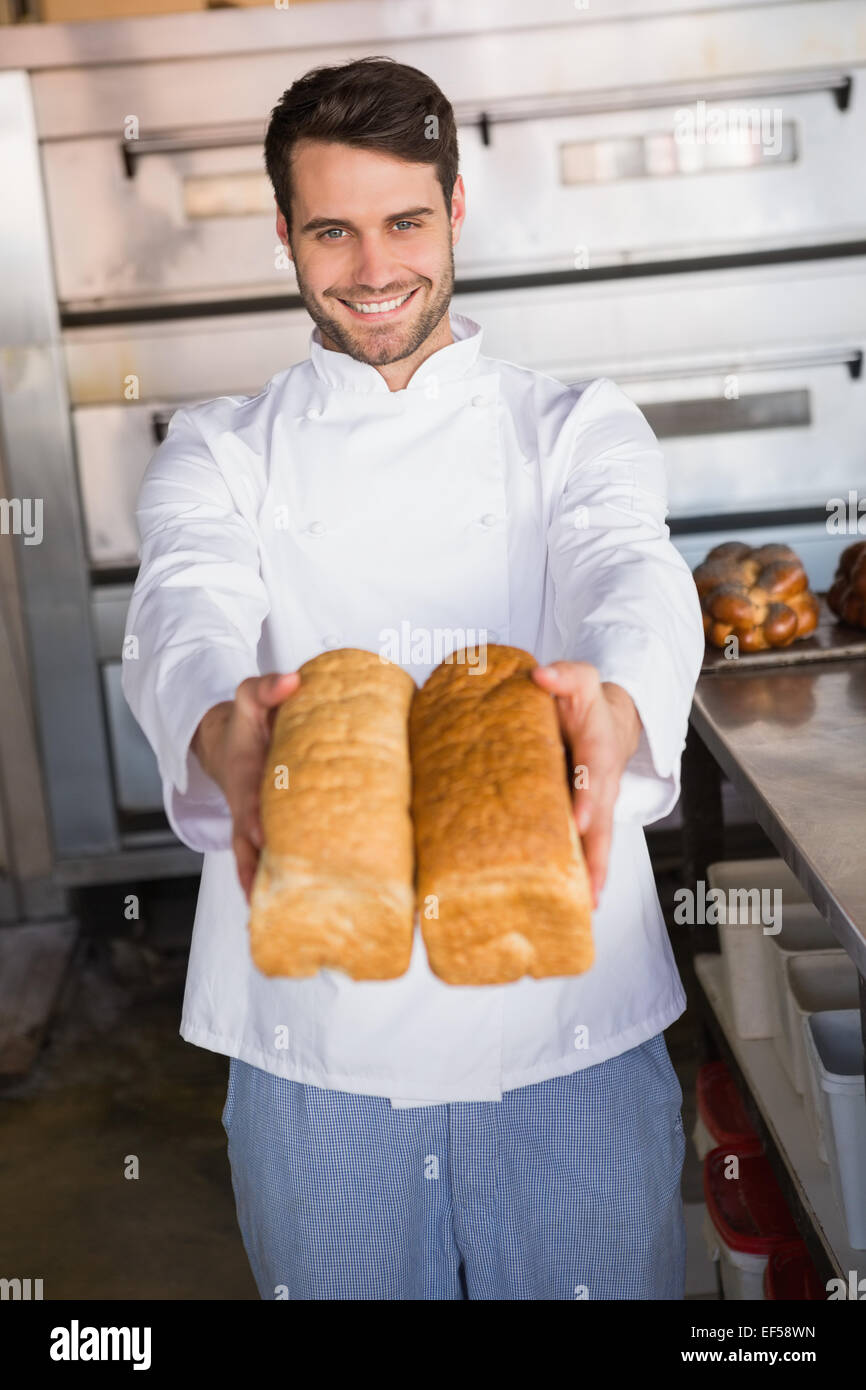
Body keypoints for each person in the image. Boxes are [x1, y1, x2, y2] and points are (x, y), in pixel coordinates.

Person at [122, 56, 705, 1301]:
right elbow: (184, 604)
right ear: (284, 233)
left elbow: (628, 570)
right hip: (314, 1047)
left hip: (571, 1032)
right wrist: (229, 728)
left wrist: (615, 700)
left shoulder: (575, 425)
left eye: (404, 222)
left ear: (455, 208)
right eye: (331, 230)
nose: (373, 267)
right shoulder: (217, 453)